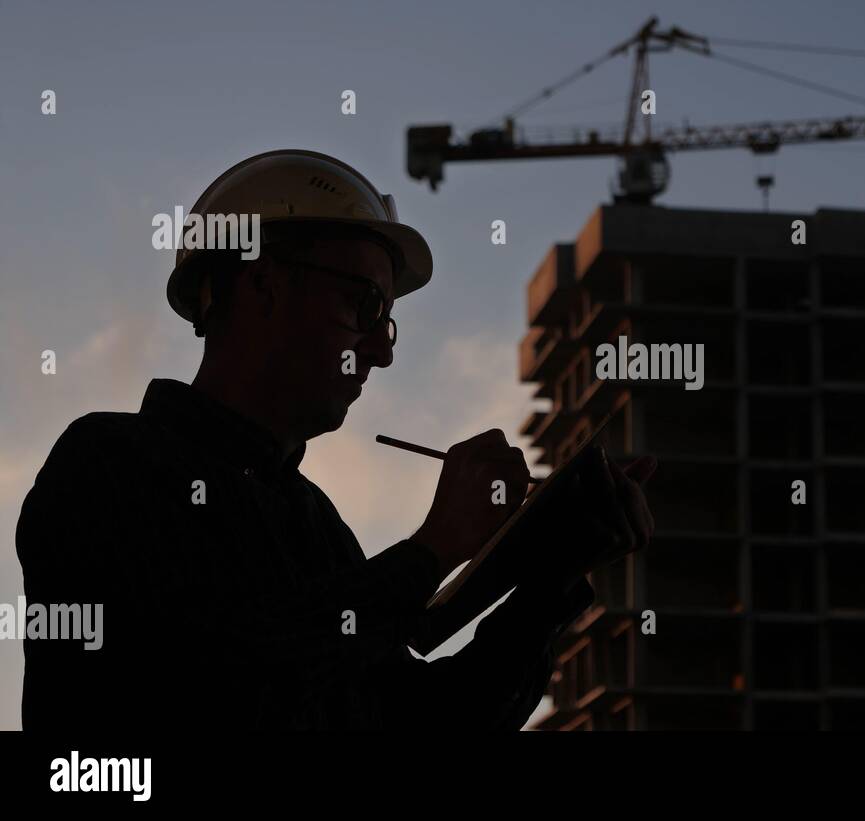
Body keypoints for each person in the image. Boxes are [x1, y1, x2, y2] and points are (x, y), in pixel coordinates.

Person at [16, 149, 655, 731]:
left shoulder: (314, 525)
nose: (379, 351)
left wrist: (549, 577)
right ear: (262, 282)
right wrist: (432, 550)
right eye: (365, 306)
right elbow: (216, 688)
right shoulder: (108, 464)